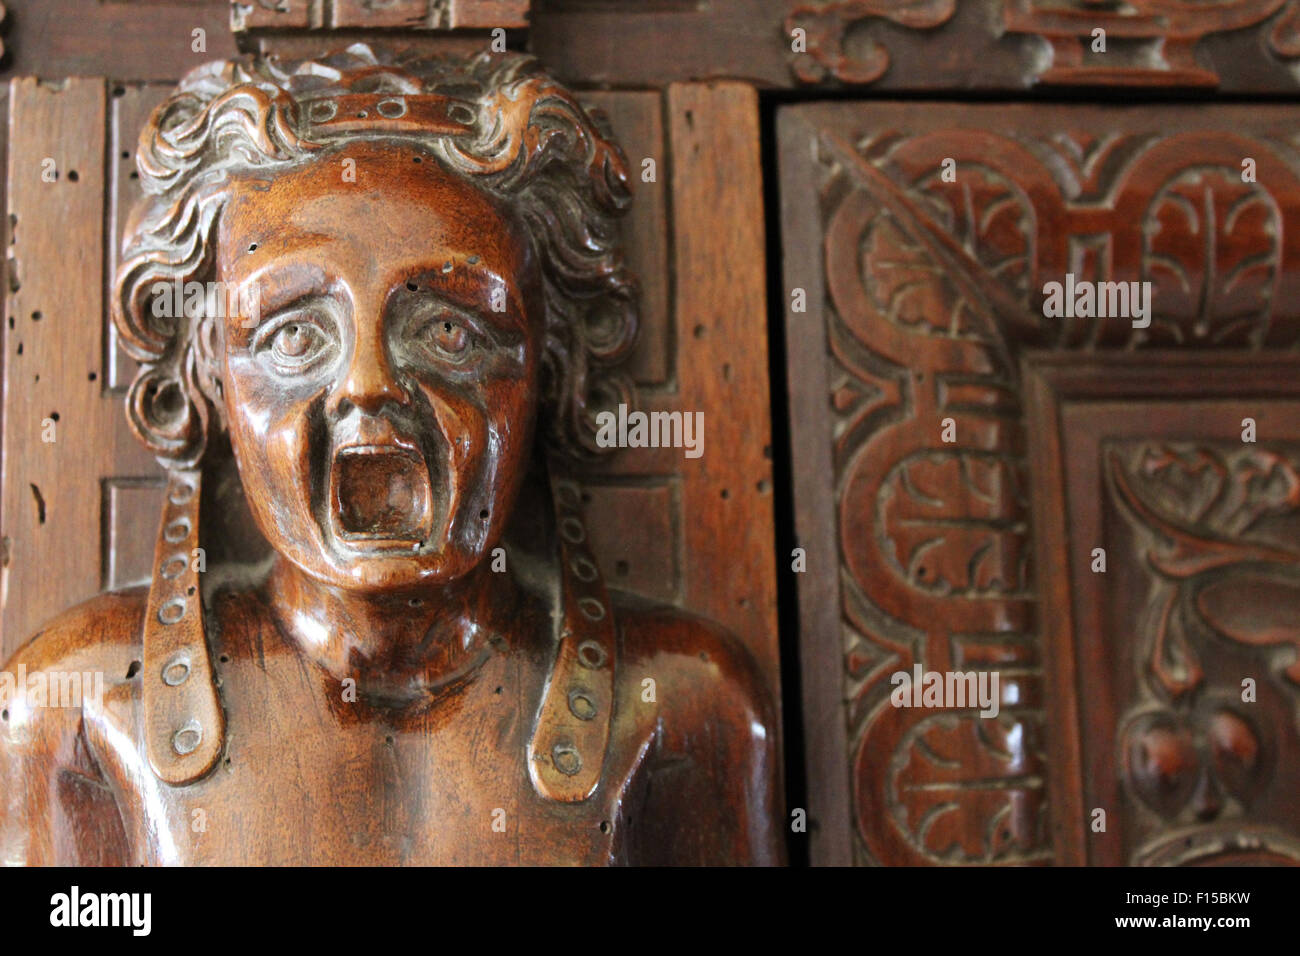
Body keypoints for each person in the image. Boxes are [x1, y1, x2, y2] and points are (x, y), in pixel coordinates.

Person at [0, 44, 782, 865]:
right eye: (294, 333)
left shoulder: (687, 705)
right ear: (208, 379)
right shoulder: (79, 704)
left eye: (449, 329)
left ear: (553, 368)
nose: (369, 386)